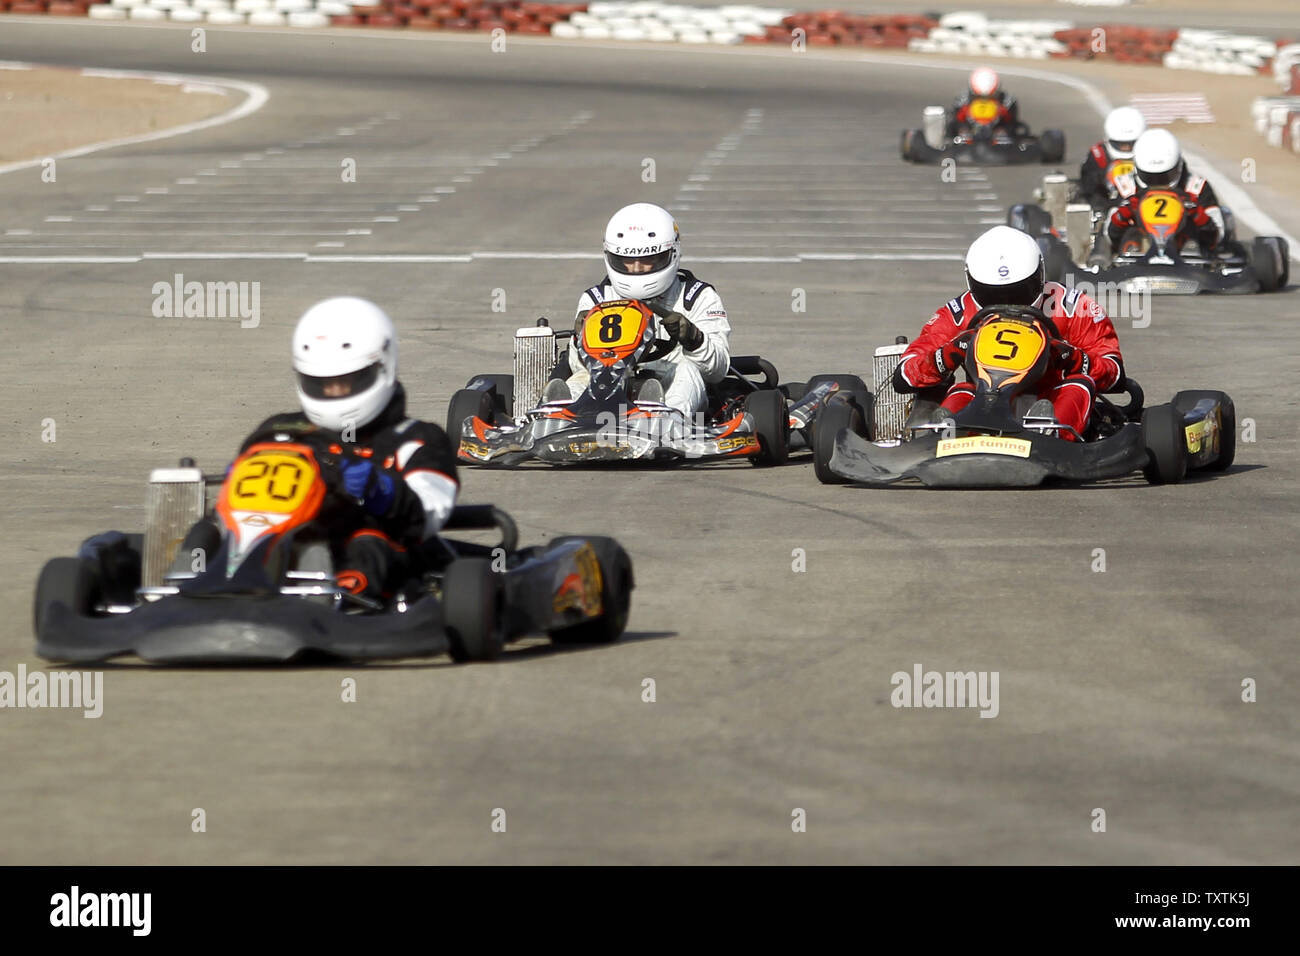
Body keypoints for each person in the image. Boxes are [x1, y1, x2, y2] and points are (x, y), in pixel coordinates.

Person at [189, 297, 459, 602]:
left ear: (382, 368)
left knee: (368, 542)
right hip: (281, 542)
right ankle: (187, 583)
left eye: (345, 382)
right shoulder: (279, 429)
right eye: (321, 383)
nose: (332, 391)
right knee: (205, 530)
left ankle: (343, 600)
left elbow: (429, 515)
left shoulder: (416, 439)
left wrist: (379, 489)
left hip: (370, 551)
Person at [893, 226, 1124, 441]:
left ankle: (1048, 435)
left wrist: (1075, 359)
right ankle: (945, 436)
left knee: (1079, 384)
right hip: (984, 399)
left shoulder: (1072, 306)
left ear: (1039, 275)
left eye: (1017, 292)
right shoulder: (959, 313)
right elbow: (905, 373)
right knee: (963, 389)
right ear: (973, 283)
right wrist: (947, 355)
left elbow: (1114, 372)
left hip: (1049, 399)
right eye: (993, 295)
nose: (1007, 304)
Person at [551, 202, 731, 420]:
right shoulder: (596, 299)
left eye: (646, 260)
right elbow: (577, 367)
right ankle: (558, 415)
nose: (636, 268)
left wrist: (694, 339)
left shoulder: (696, 297)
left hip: (670, 383)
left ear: (671, 254)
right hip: (609, 381)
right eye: (627, 261)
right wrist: (579, 341)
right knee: (583, 377)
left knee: (687, 369)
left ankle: (666, 419)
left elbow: (717, 371)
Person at [1104, 128, 1226, 256]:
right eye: (1150, 177)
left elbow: (1218, 234)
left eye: (1163, 176)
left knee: (1191, 237)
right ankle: (1134, 254)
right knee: (1131, 236)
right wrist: (1125, 212)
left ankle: (1189, 256)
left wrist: (1196, 214)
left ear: (1177, 166)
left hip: (1186, 260)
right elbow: (1109, 235)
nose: (1158, 183)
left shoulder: (1196, 186)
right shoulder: (1125, 187)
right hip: (1138, 258)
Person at [1078, 106, 1147, 209]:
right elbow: (1089, 191)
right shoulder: (1098, 155)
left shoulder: (1150, 153)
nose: (1126, 148)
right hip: (1108, 206)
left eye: (1131, 144)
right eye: (1122, 145)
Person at [946, 67, 1020, 140]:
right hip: (966, 139)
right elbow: (954, 123)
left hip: (998, 141)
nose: (984, 102)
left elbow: (1013, 125)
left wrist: (1003, 130)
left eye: (990, 97)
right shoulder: (962, 101)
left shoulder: (1007, 102)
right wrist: (963, 129)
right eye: (978, 97)